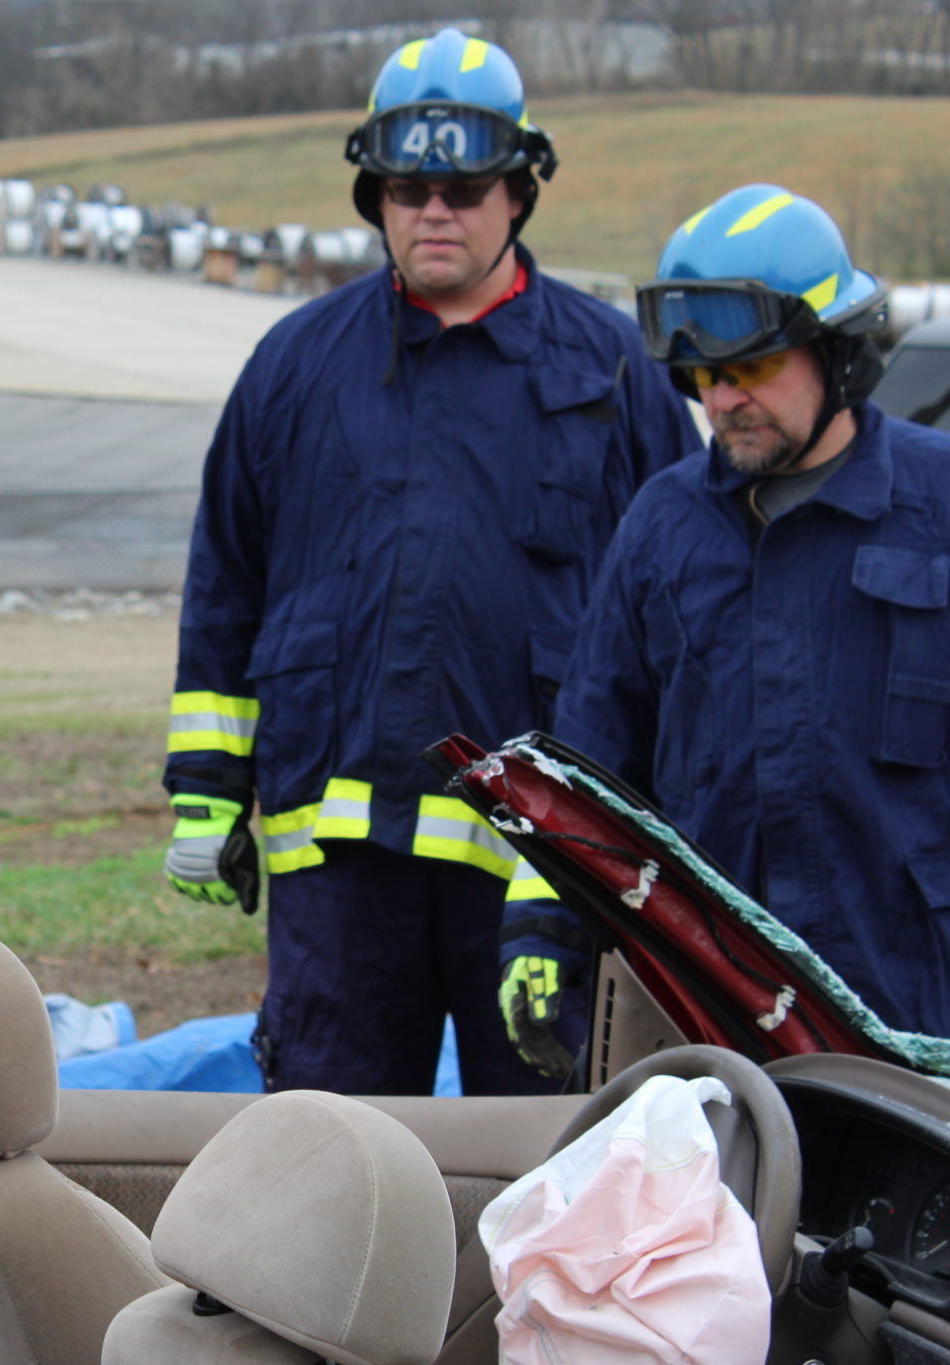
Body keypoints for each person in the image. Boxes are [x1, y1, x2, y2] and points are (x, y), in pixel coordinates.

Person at [162, 27, 699, 1097]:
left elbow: (675, 620)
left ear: (516, 194)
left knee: (543, 1151)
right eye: (407, 187)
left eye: (463, 185)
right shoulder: (294, 367)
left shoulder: (610, 375)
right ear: (375, 199)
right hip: (338, 864)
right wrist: (204, 792)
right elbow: (227, 579)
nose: (433, 210)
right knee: (332, 1156)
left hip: (535, 871)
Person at [498, 184, 950, 1073]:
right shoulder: (662, 526)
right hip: (716, 1019)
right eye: (704, 376)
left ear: (839, 352)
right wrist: (541, 933)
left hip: (918, 1012)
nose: (723, 398)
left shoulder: (938, 505)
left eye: (750, 367)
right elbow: (590, 763)